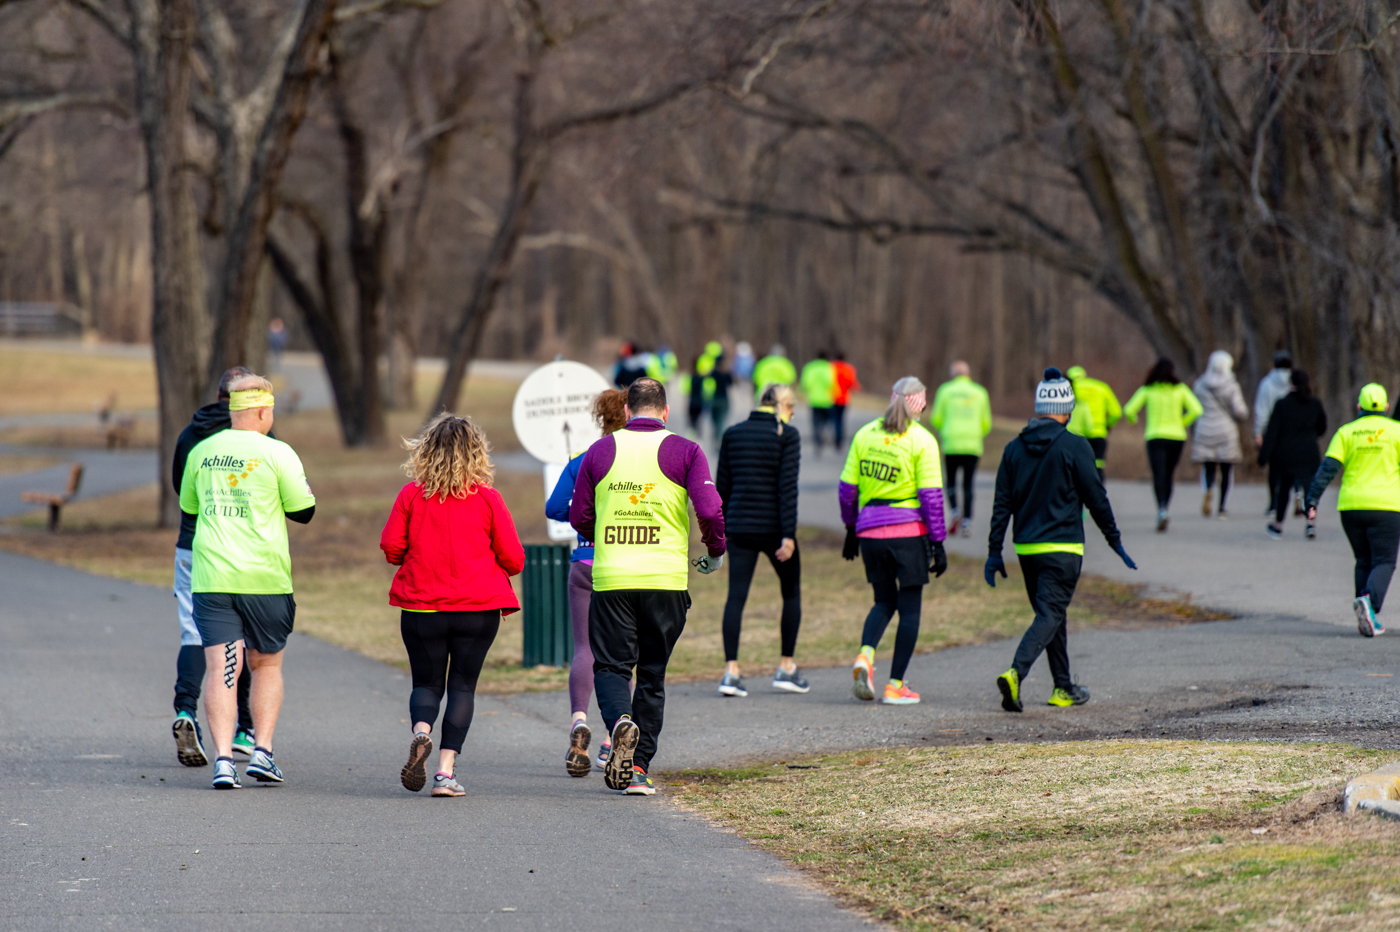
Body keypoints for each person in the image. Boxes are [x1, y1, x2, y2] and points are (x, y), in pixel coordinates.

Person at [569, 378, 726, 796]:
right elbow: (709, 508)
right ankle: (638, 769)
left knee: (612, 668)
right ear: (666, 412)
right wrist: (716, 550)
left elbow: (579, 515)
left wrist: (604, 530)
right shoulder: (686, 450)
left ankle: (621, 722)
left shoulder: (600, 451)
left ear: (625, 412)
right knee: (653, 675)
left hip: (613, 577)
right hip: (665, 581)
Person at [179, 374, 315, 790]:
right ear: (262, 411)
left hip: (212, 576)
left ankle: (222, 760)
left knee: (221, 668)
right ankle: (262, 751)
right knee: (266, 664)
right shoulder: (278, 452)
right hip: (264, 578)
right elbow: (303, 510)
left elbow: (189, 506)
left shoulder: (201, 451)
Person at [381, 414, 524, 797]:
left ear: (426, 452)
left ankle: (421, 733)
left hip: (422, 608)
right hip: (477, 610)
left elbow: (392, 547)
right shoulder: (488, 499)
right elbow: (514, 558)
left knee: (426, 682)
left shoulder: (411, 495)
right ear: (477, 453)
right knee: (463, 686)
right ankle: (445, 773)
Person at [987, 368, 1135, 712]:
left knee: (1052, 613)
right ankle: (1015, 672)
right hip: (1063, 548)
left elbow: (1001, 505)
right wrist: (1114, 540)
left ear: (1040, 407)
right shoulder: (1075, 446)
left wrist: (995, 552)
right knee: (1051, 612)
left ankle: (1063, 687)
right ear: (1067, 409)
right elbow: (1097, 498)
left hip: (1026, 549)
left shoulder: (1013, 449)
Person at [840, 377, 948, 706]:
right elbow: (930, 497)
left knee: (884, 602)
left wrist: (850, 529)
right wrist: (939, 542)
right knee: (910, 610)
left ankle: (866, 655)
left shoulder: (865, 434)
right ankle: (895, 685)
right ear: (920, 404)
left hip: (870, 532)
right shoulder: (922, 440)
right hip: (908, 535)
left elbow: (847, 489)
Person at [169, 367, 256, 768]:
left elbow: (178, 488)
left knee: (193, 632)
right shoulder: (255, 436)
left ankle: (185, 711)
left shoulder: (191, 434)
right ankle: (242, 729)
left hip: (192, 546)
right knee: (242, 638)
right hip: (240, 549)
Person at [545, 389, 629, 776]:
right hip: (623, 564)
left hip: (583, 561)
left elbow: (555, 507)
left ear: (602, 419)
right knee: (621, 655)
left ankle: (579, 721)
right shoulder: (636, 460)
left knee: (584, 648)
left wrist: (585, 517)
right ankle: (614, 737)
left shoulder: (582, 460)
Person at [715, 383, 804, 697]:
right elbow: (787, 489)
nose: (793, 414)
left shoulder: (733, 433)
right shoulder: (787, 436)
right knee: (791, 591)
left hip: (739, 527)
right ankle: (786, 667)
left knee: (735, 597)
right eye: (792, 407)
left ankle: (731, 672)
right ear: (781, 405)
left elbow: (721, 487)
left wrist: (719, 528)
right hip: (774, 528)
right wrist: (788, 536)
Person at [1306, 383, 1400, 638]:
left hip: (1350, 507)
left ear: (1358, 406)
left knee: (1363, 560)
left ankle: (1365, 619)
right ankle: (1369, 603)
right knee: (1384, 561)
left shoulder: (1346, 433)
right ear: (1386, 407)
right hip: (1386, 506)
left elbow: (1327, 469)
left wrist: (1312, 500)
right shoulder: (1396, 432)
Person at [1124, 358, 1202, 532]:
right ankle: (1165, 506)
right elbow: (1197, 409)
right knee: (1169, 474)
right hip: (1176, 437)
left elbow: (1129, 409)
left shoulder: (1148, 390)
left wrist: (1133, 420)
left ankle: (1161, 509)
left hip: (1155, 435)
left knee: (1158, 474)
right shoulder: (1180, 390)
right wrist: (1182, 422)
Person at [1259, 370, 1326, 540]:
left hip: (1286, 454)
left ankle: (1278, 525)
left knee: (1283, 491)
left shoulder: (1282, 404)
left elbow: (1272, 432)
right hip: (1308, 454)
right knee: (1310, 493)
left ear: (1291, 384)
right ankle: (1310, 524)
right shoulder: (1315, 404)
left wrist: (1263, 456)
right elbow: (1322, 427)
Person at [931, 361, 993, 538]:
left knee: (950, 481)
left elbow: (936, 418)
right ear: (969, 373)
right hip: (972, 443)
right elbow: (986, 422)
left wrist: (946, 429)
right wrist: (976, 433)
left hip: (951, 442)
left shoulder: (945, 390)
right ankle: (967, 521)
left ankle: (954, 511)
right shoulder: (980, 392)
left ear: (953, 374)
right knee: (968, 483)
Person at [1191, 350, 1250, 519]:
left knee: (1208, 467)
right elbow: (1240, 411)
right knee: (1226, 470)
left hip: (1204, 429)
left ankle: (1208, 489)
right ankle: (1222, 507)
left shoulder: (1199, 384)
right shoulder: (1231, 386)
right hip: (1226, 431)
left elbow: (1194, 408)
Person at [1255, 350, 1303, 516]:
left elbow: (1261, 410)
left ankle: (1273, 503)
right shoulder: (1296, 381)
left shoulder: (1267, 383)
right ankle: (1298, 493)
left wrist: (1258, 432)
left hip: (1274, 431)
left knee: (1274, 469)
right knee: (1296, 466)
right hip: (1296, 430)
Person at [1065, 365, 1122, 479]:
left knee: (1073, 467)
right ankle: (1098, 492)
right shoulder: (1101, 387)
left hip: (1073, 434)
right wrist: (1107, 425)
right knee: (1097, 465)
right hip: (1098, 432)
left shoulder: (1067, 388)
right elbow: (1116, 412)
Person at [800, 351, 837, 453]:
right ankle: (822, 432)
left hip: (814, 399)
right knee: (827, 420)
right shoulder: (829, 368)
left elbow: (805, 384)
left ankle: (817, 439)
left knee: (815, 422)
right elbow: (831, 383)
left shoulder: (810, 367)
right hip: (827, 400)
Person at [831, 352, 860, 448]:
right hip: (844, 399)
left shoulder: (831, 367)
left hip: (832, 397)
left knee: (834, 419)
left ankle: (835, 438)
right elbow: (851, 383)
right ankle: (839, 440)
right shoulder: (848, 369)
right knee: (841, 420)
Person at [710, 354, 732, 438]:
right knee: (721, 420)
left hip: (715, 398)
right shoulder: (726, 373)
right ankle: (719, 437)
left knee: (715, 420)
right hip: (723, 398)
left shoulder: (714, 372)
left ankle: (716, 436)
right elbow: (731, 383)